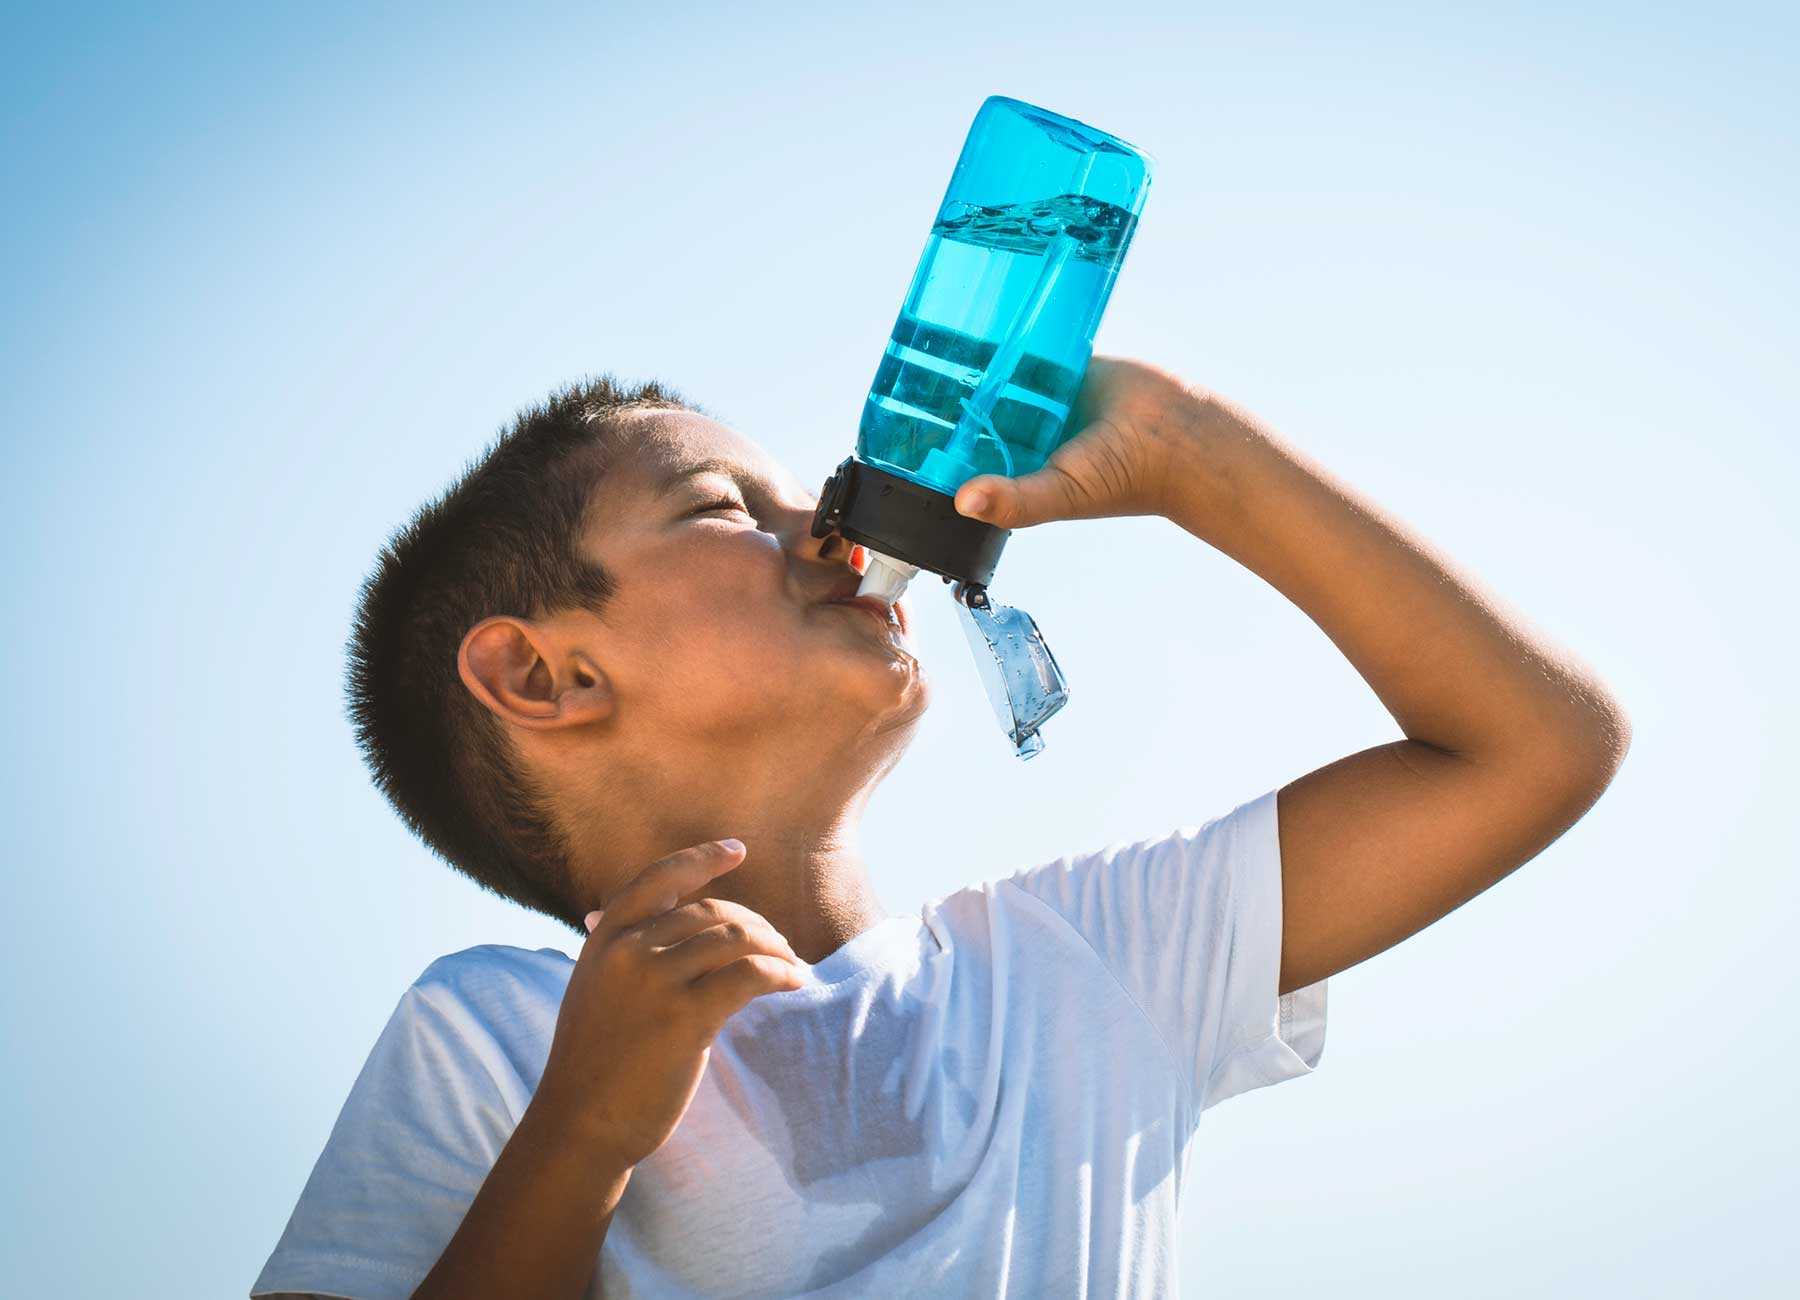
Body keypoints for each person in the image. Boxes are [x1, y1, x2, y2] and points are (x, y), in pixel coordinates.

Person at [251, 356, 1630, 1299]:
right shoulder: (498, 1035)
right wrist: (583, 1136)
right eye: (729, 510)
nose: (840, 534)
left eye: (822, 504)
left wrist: (1195, 452)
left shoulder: (1087, 965)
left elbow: (1533, 748)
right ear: (546, 677)